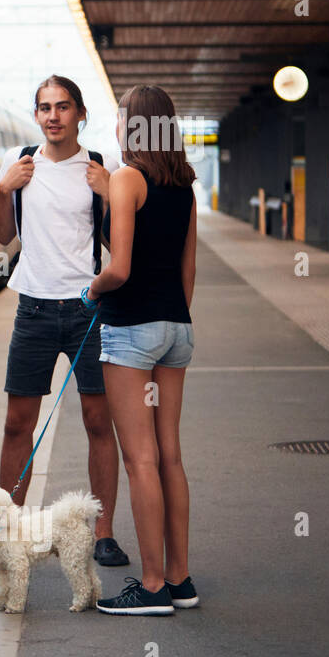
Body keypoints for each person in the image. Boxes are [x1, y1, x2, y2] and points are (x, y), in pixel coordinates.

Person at [0, 75, 129, 567]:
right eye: (44, 107)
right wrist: (2, 193)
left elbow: (121, 247)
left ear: (80, 114)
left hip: (89, 309)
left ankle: (103, 534)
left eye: (63, 107)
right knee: (17, 424)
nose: (53, 116)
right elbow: (2, 237)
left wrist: (109, 194)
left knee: (99, 421)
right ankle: (2, 533)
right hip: (31, 307)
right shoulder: (19, 162)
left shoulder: (102, 166)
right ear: (36, 115)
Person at [84, 85, 198, 615]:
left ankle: (150, 587)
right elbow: (186, 272)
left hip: (132, 331)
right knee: (169, 454)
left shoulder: (128, 179)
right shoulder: (186, 186)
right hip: (176, 327)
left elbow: (120, 268)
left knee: (141, 458)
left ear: (131, 125)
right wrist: (169, 315)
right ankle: (179, 579)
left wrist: (94, 289)